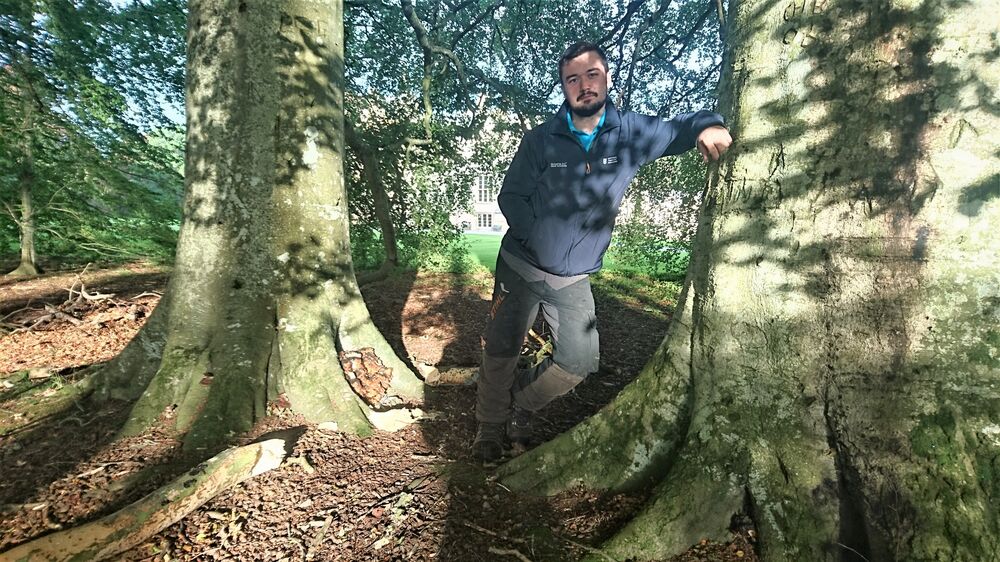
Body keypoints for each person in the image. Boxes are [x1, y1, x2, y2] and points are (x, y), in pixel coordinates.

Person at [473, 41, 732, 462]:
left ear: (606, 78)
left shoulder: (630, 134)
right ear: (564, 88)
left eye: (591, 74)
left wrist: (709, 124)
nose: (583, 85)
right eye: (572, 79)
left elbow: (680, 126)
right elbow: (511, 197)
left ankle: (522, 402)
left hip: (575, 277)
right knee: (502, 348)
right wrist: (537, 238)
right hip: (520, 265)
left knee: (579, 362)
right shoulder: (541, 140)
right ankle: (488, 425)